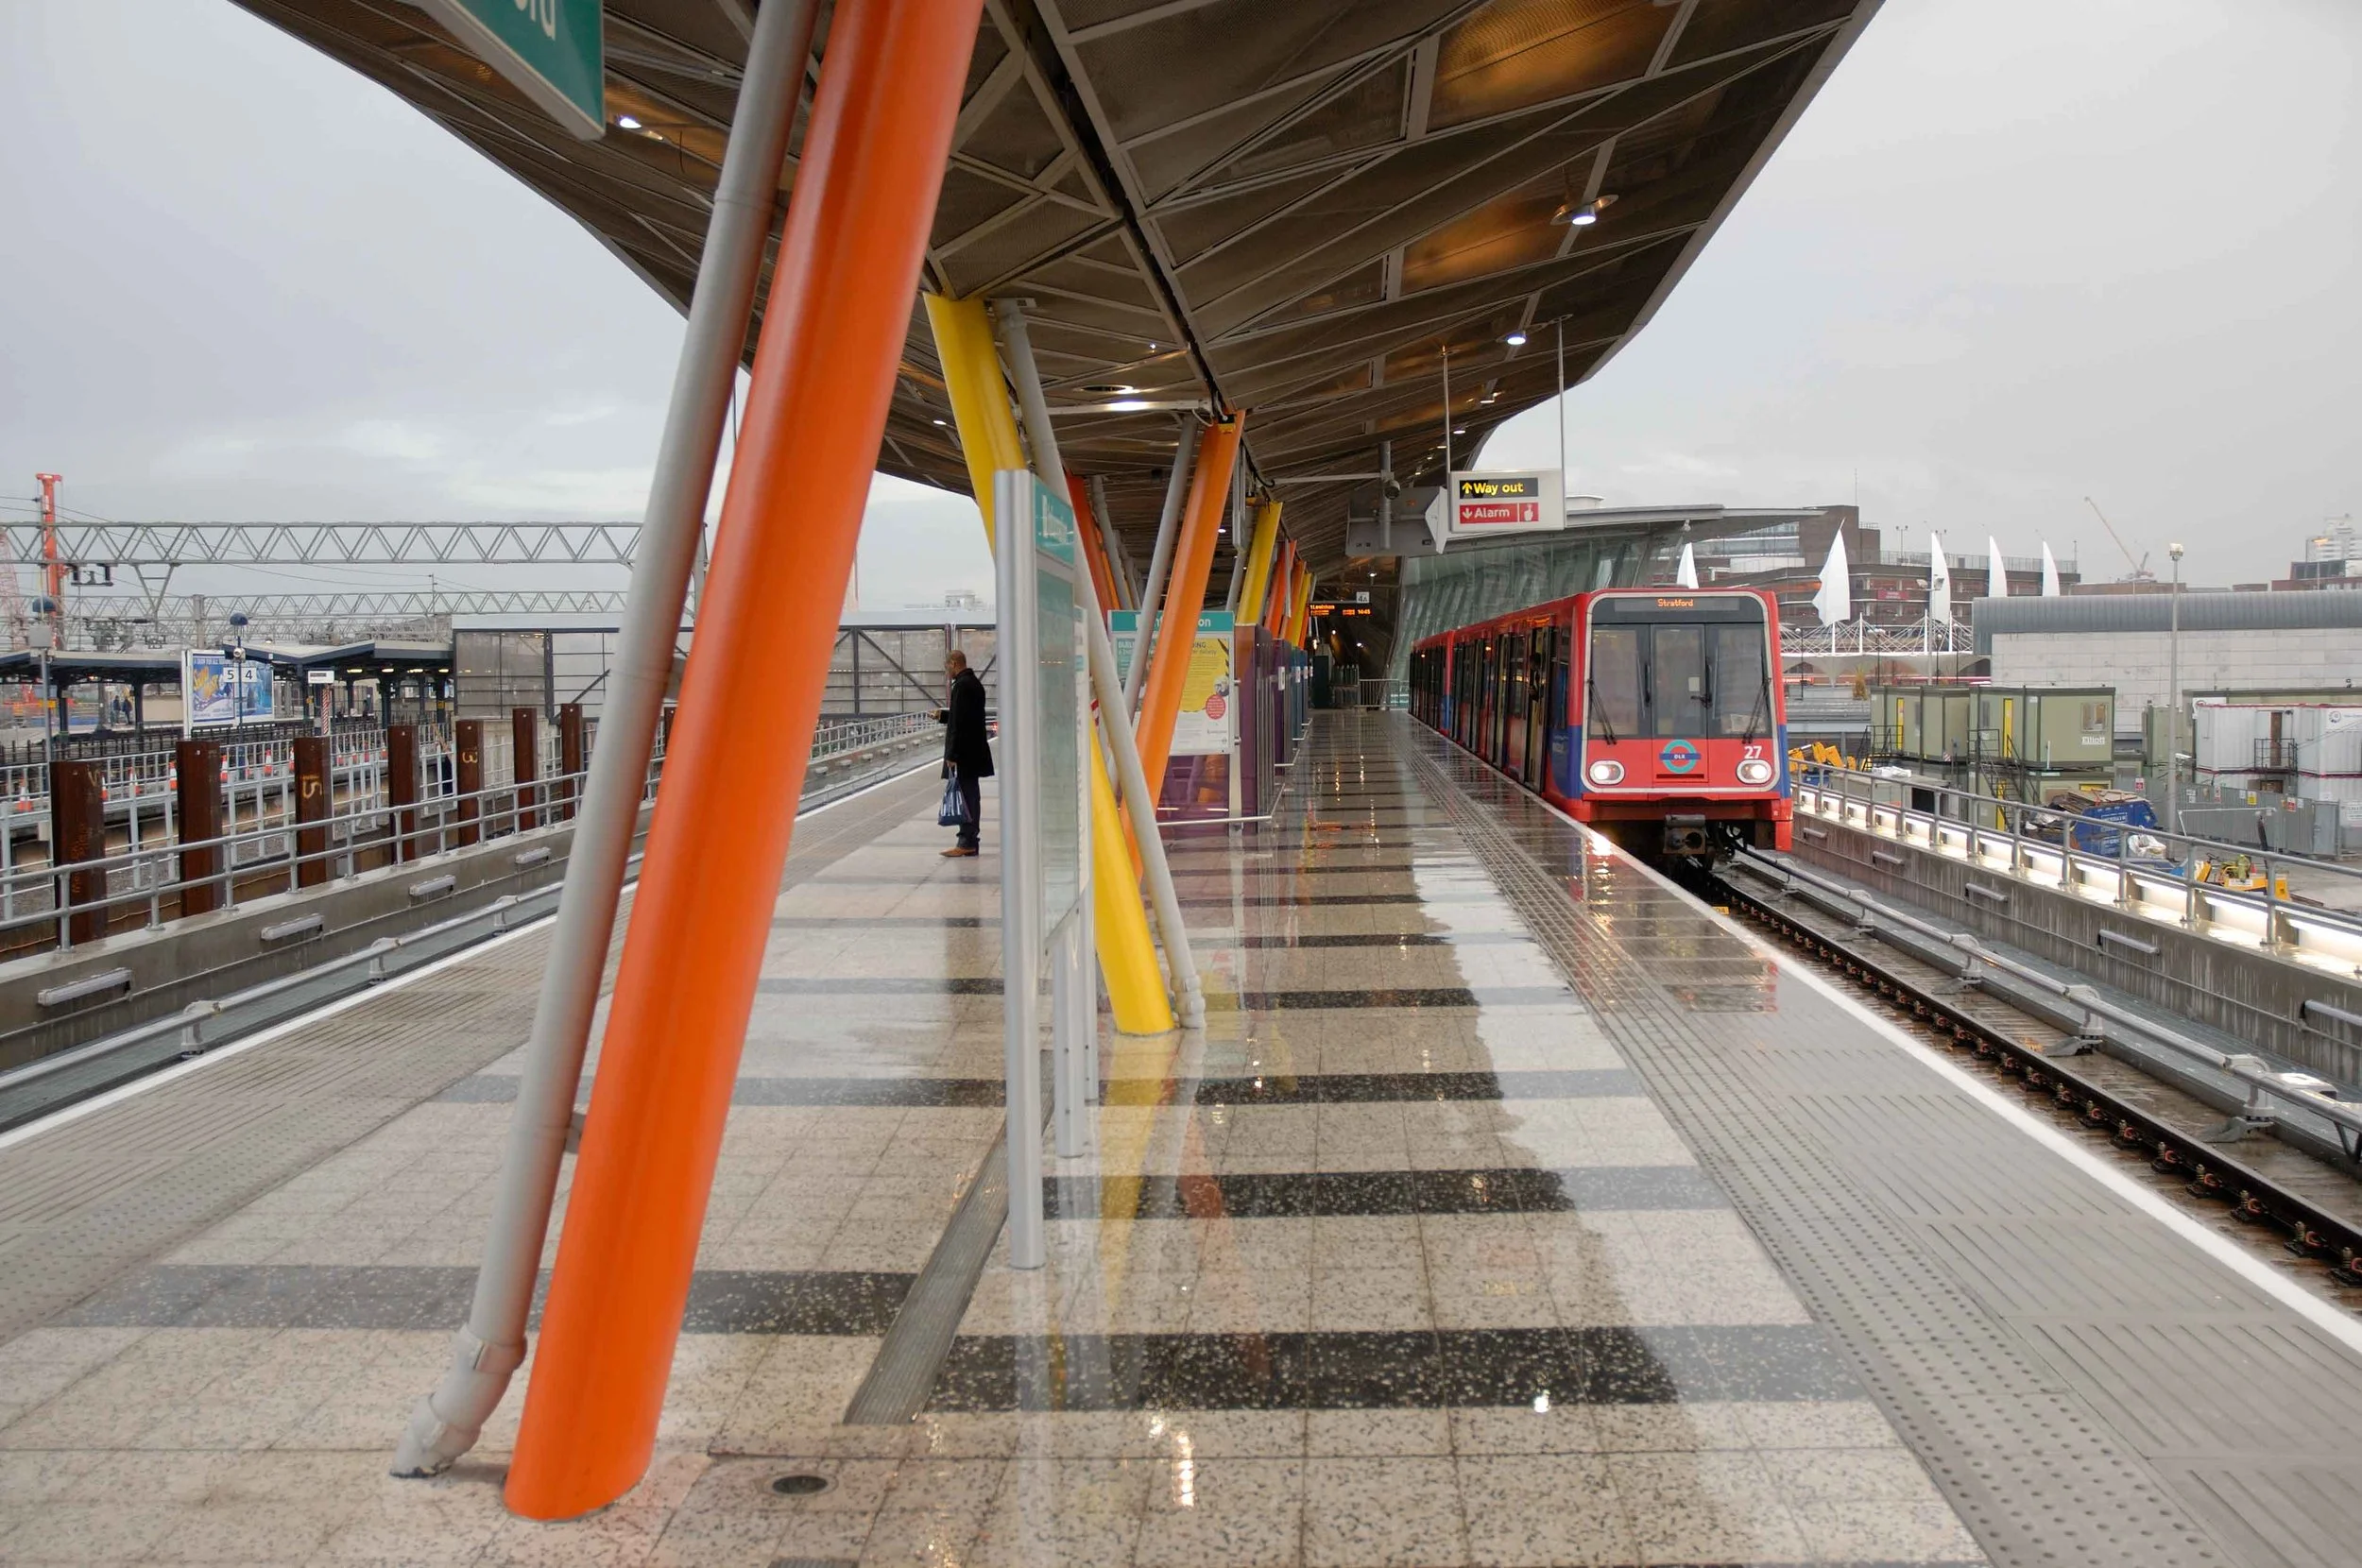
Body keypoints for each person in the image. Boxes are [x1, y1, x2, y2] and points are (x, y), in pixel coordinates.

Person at [936, 649, 992, 857]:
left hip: (964, 754)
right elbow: (964, 716)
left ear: (953, 663)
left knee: (966, 796)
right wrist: (943, 716)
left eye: (946, 667)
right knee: (970, 795)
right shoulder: (974, 684)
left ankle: (967, 841)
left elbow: (959, 724)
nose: (946, 672)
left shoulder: (962, 686)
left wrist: (951, 755)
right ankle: (968, 840)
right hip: (973, 751)